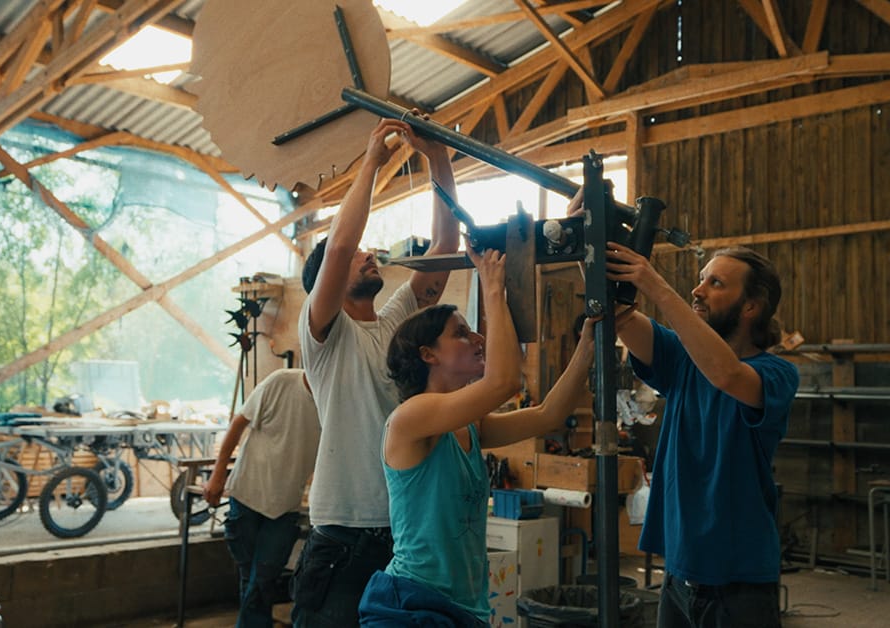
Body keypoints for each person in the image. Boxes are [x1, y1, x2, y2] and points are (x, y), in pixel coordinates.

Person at [357, 247, 596, 626]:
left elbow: (550, 414)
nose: (478, 338)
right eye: (462, 334)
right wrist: (493, 288)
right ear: (428, 355)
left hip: (466, 609)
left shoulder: (469, 426)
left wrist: (589, 342)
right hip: (412, 607)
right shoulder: (411, 418)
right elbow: (504, 381)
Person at [292, 117, 461, 627]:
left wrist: (439, 160)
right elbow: (340, 245)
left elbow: (445, 247)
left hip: (401, 534)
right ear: (330, 279)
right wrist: (371, 161)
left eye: (368, 254)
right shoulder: (324, 334)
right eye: (358, 255)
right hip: (342, 536)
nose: (368, 255)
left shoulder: (394, 323)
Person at [605, 241, 799, 628]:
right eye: (700, 280)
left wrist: (657, 286)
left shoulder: (776, 375)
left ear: (750, 306)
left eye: (715, 283)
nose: (698, 290)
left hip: (739, 583)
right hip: (678, 575)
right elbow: (617, 315)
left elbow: (726, 374)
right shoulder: (682, 359)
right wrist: (588, 242)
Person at [203, 367, 320, 628]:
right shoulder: (280, 382)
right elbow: (238, 423)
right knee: (254, 578)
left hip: (285, 506)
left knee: (262, 577)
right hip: (246, 494)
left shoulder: (333, 401)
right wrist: (218, 475)